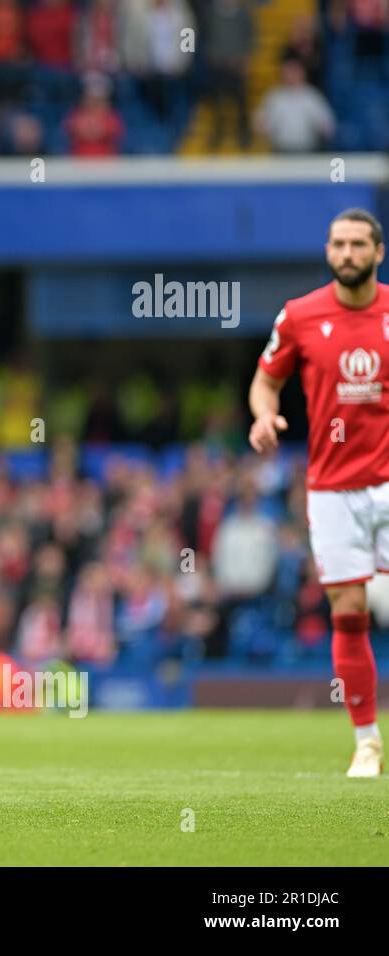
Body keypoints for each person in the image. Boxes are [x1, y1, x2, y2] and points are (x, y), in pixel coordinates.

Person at [249, 207, 389, 778]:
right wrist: (264, 418)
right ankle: (367, 743)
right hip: (331, 489)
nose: (348, 253)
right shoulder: (301, 316)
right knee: (349, 613)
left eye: (359, 244)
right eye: (339, 244)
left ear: (378, 252)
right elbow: (266, 380)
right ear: (328, 251)